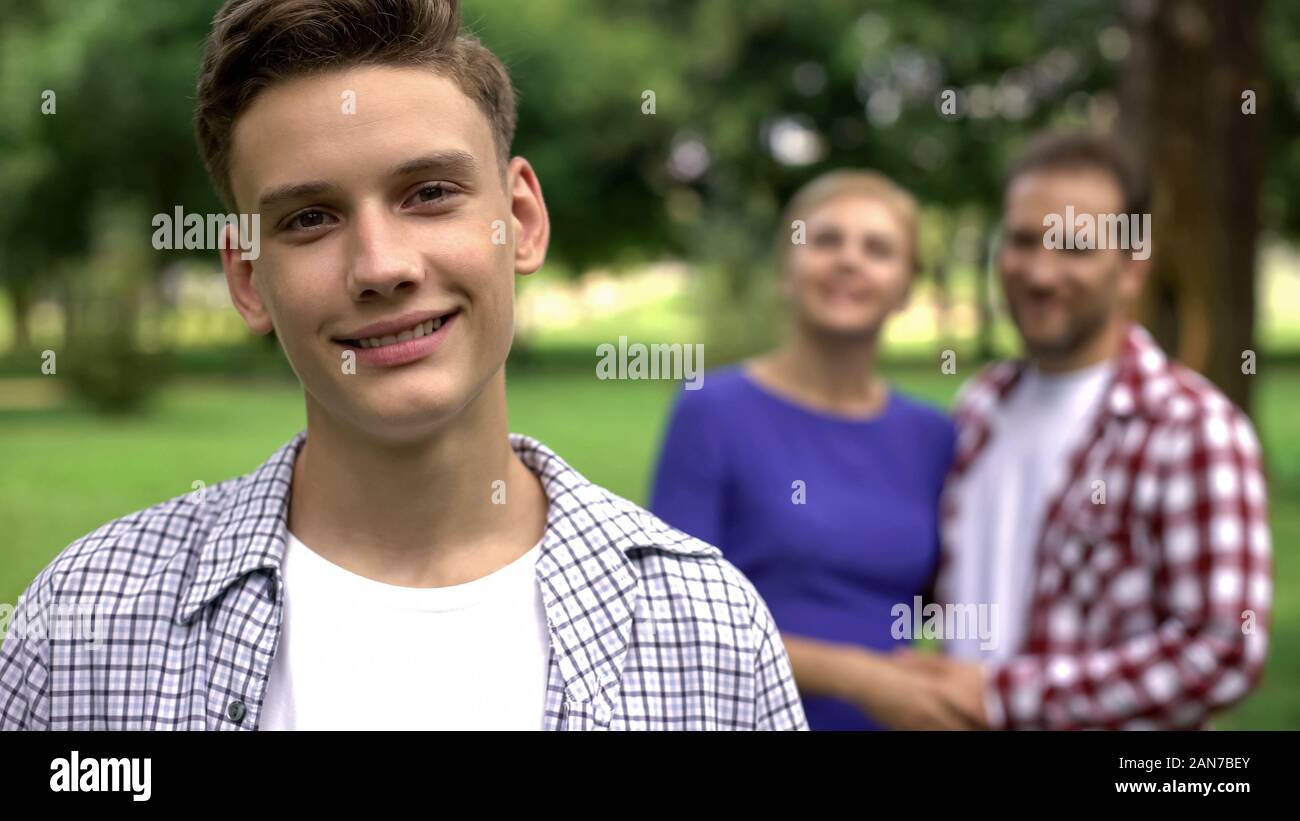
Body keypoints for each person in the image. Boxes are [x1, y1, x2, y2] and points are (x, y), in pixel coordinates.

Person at [0, 0, 806, 732]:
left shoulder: (707, 630)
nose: (381, 266)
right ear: (248, 278)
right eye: (310, 218)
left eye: (428, 193)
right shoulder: (83, 629)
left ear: (520, 220)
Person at [899, 131, 1273, 730]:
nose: (1041, 274)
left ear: (1131, 269)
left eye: (1073, 247)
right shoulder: (978, 409)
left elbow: (1224, 649)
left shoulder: (1190, 428)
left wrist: (1004, 697)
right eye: (1023, 241)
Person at [651, 170, 958, 730]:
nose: (848, 260)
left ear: (906, 288)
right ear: (786, 272)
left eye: (878, 249)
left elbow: (954, 602)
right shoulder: (711, 411)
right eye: (825, 240)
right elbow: (678, 614)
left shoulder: (933, 436)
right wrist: (859, 677)